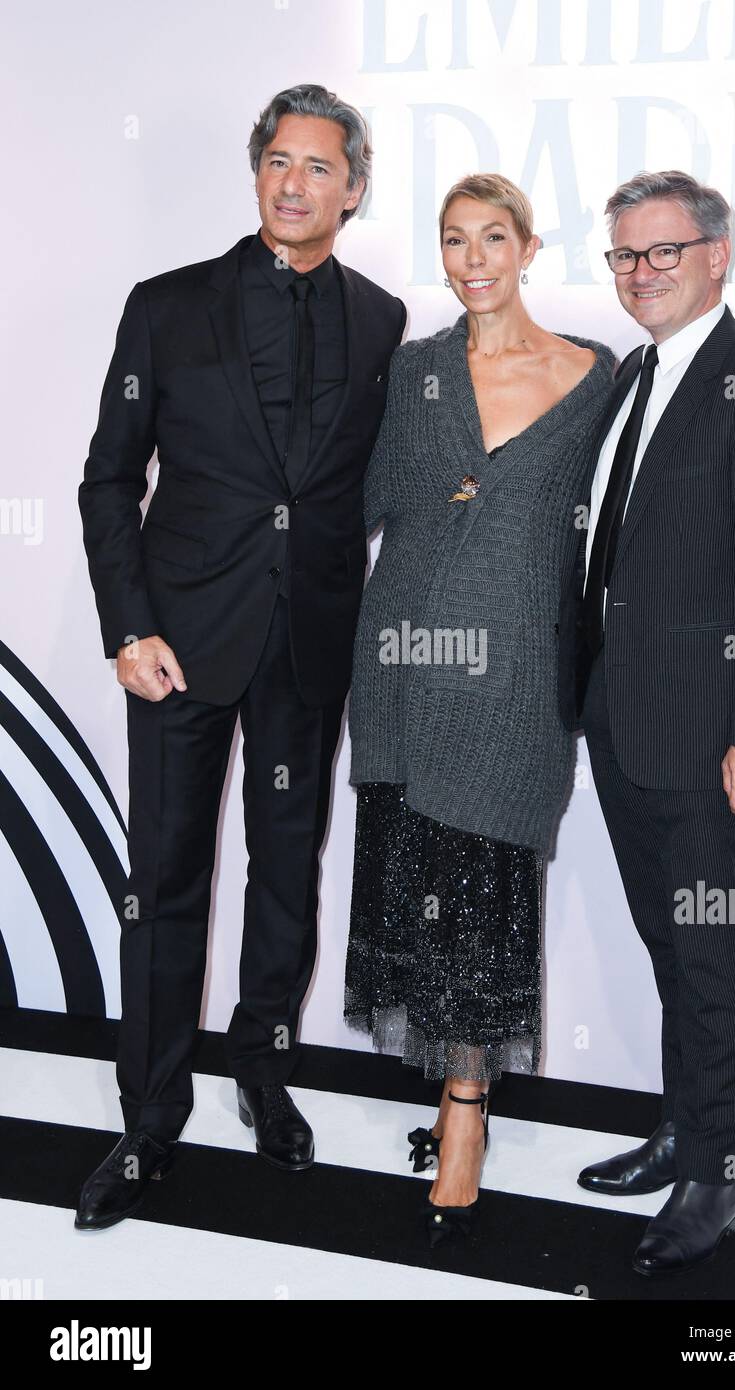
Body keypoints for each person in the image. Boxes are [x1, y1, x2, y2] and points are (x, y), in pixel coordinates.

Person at [75, 84, 406, 1230]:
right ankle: (147, 1116)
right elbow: (107, 480)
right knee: (162, 886)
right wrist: (128, 627)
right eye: (276, 159)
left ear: (352, 189)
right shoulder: (165, 307)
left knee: (285, 877)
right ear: (255, 169)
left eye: (318, 166)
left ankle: (264, 1076)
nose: (292, 181)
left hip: (305, 646)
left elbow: (364, 485)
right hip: (176, 645)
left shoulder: (380, 319)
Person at [344, 173, 616, 1248]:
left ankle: (466, 1113)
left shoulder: (596, 381)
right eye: (452, 240)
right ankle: (446, 1098)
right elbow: (349, 507)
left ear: (528, 247)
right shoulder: (412, 374)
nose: (470, 260)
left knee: (483, 903)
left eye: (490, 238)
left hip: (512, 690)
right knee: (417, 894)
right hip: (403, 671)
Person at [557, 170, 735, 1276]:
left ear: (716, 253)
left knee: (708, 952)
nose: (639, 273)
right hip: (620, 720)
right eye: (623, 255)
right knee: (668, 943)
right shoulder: (630, 376)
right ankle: (677, 1122)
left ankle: (711, 1170)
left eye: (661, 252)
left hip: (708, 735)